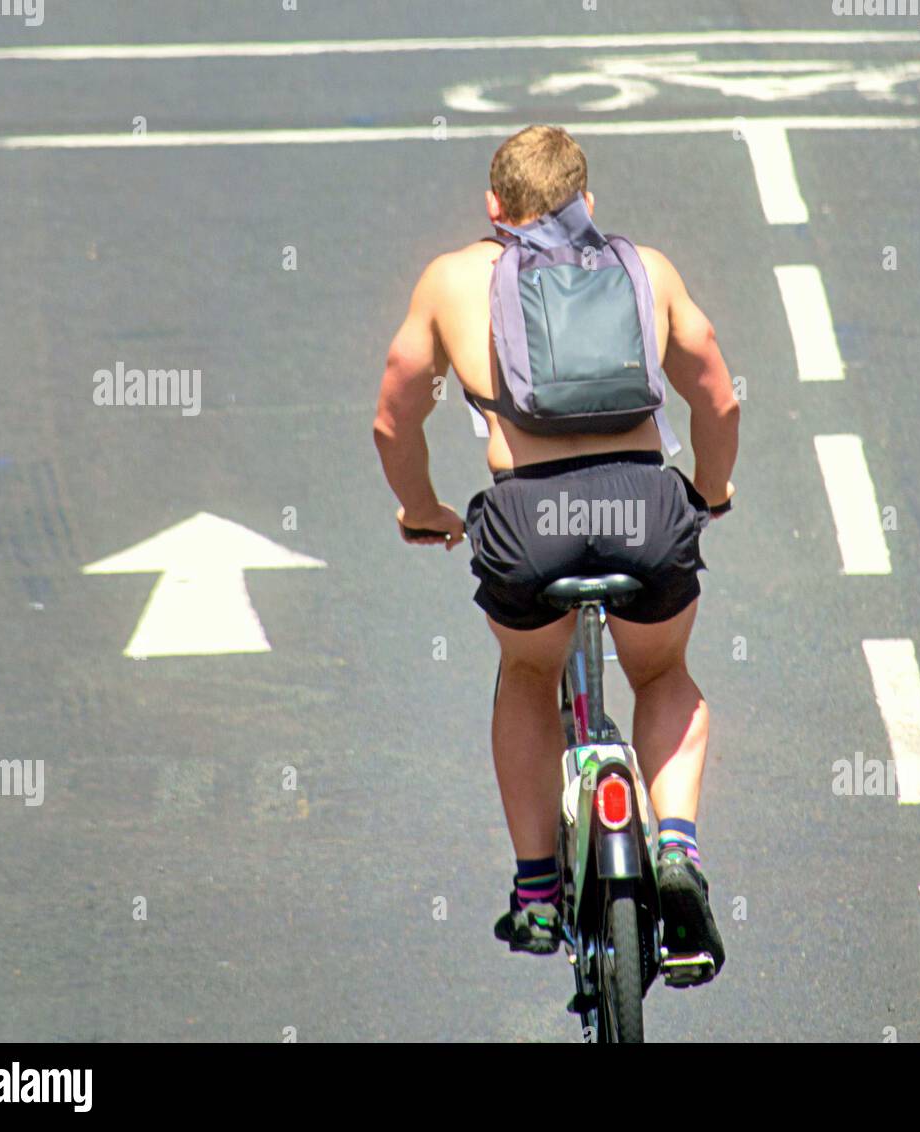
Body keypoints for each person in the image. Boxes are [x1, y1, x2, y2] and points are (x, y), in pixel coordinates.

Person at [373, 125, 739, 982]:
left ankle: (537, 891)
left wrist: (422, 509)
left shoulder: (455, 279)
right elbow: (716, 393)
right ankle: (677, 847)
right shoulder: (646, 269)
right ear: (588, 201)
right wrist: (709, 494)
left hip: (528, 524)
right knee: (662, 674)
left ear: (493, 208)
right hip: (643, 509)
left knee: (529, 674)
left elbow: (395, 411)